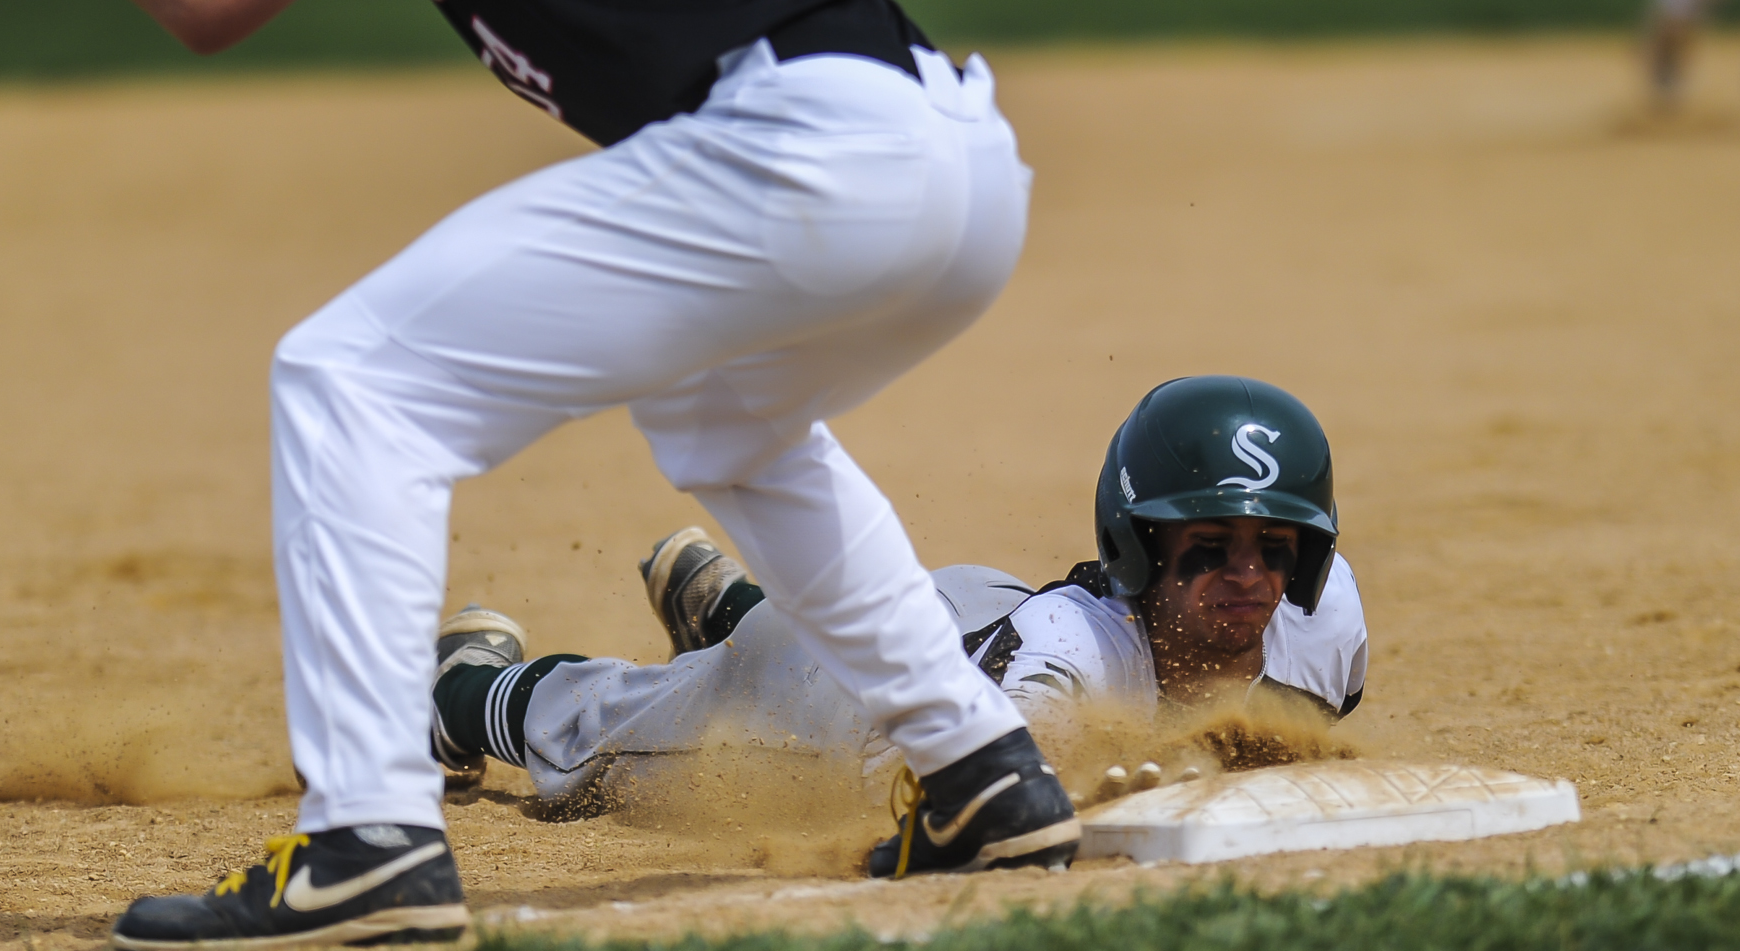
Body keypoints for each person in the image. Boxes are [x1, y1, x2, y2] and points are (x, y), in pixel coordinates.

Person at [0, 0, 1070, 944]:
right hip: (945, 160)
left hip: (805, 153)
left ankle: (368, 837)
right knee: (728, 418)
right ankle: (976, 768)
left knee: (354, 377)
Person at [428, 376, 1368, 877]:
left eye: (1275, 548)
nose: (1250, 576)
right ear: (1142, 544)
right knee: (612, 738)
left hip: (978, 606)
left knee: (784, 637)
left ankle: (738, 609)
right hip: (842, 715)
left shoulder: (1320, 629)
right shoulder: (1070, 656)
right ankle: (468, 687)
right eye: (1210, 546)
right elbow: (1003, 785)